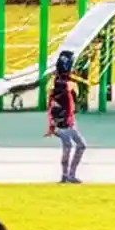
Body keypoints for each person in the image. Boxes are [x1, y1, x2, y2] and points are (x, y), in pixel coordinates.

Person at [45, 50, 87, 183]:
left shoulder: (59, 81)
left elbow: (52, 103)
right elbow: (62, 103)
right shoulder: (62, 84)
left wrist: (51, 124)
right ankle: (68, 175)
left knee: (73, 146)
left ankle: (67, 175)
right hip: (65, 122)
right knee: (73, 146)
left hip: (64, 121)